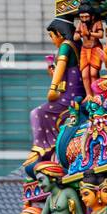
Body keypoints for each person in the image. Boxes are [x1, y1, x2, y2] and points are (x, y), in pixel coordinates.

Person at [27, 18, 84, 166]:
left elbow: (61, 69)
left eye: (52, 36)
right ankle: (47, 145)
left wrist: (52, 88)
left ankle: (42, 147)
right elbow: (64, 73)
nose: (52, 40)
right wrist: (54, 75)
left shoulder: (65, 46)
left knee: (37, 113)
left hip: (71, 96)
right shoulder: (75, 45)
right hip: (71, 91)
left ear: (59, 33)